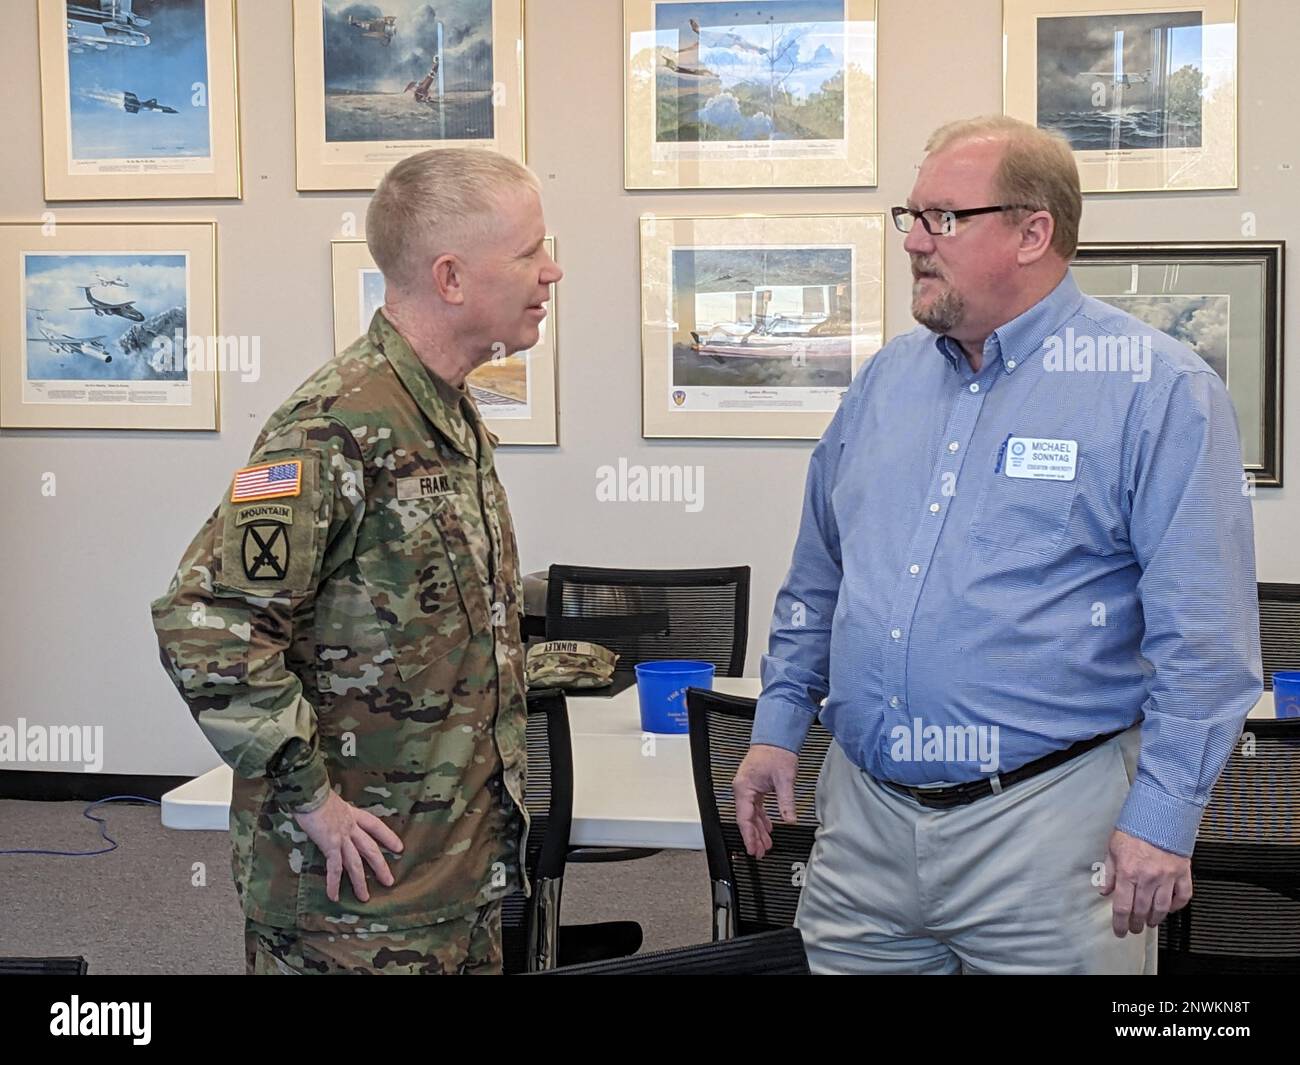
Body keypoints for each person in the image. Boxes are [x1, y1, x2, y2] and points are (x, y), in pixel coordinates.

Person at [733, 115, 1262, 974]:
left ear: (1033, 232)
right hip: (863, 829)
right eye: (908, 216)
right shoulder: (883, 383)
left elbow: (1207, 643)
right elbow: (820, 577)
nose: (914, 241)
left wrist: (1161, 821)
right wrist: (778, 725)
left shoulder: (1157, 392)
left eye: (943, 217)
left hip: (1050, 832)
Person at [151, 147, 562, 974]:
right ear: (451, 277)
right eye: (528, 252)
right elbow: (209, 628)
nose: (550, 272)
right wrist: (312, 801)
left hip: (455, 879)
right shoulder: (334, 424)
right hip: (353, 903)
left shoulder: (445, 412)